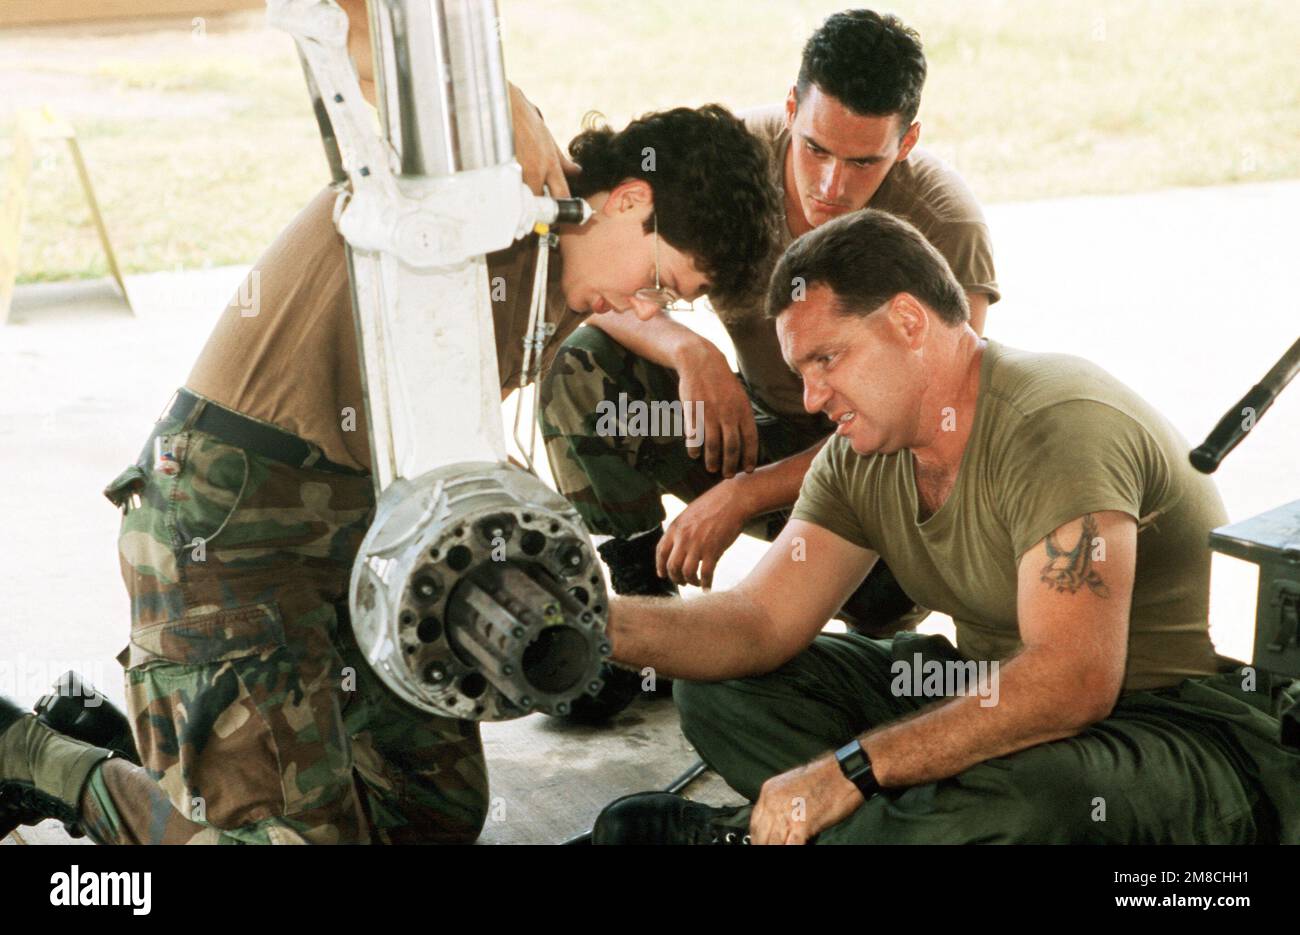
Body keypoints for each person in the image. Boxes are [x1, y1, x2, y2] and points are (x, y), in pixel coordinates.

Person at [0, 72, 778, 844]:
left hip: (366, 535)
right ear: (631, 202)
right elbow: (373, 45)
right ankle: (40, 759)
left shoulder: (555, 279)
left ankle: (196, 764)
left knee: (433, 817)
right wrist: (494, 97)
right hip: (226, 524)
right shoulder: (482, 193)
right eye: (659, 284)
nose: (644, 309)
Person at [590, 209, 1300, 844]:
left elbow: (1073, 680)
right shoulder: (859, 454)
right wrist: (593, 622)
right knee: (721, 687)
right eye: (802, 372)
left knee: (1020, 802)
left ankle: (772, 834)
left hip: (1177, 728)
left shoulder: (1055, 424)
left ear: (907, 321)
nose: (811, 396)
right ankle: (857, 829)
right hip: (998, 689)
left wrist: (855, 768)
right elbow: (757, 623)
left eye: (827, 359)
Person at [540, 9, 999, 721]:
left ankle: (857, 652)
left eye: (864, 162)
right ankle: (639, 609)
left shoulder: (945, 226)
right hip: (747, 426)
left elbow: (937, 413)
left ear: (906, 143)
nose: (831, 184)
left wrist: (748, 495)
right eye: (815, 148)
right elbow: (593, 257)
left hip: (869, 457)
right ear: (790, 111)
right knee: (585, 372)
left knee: (885, 579)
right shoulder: (731, 159)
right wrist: (689, 352)